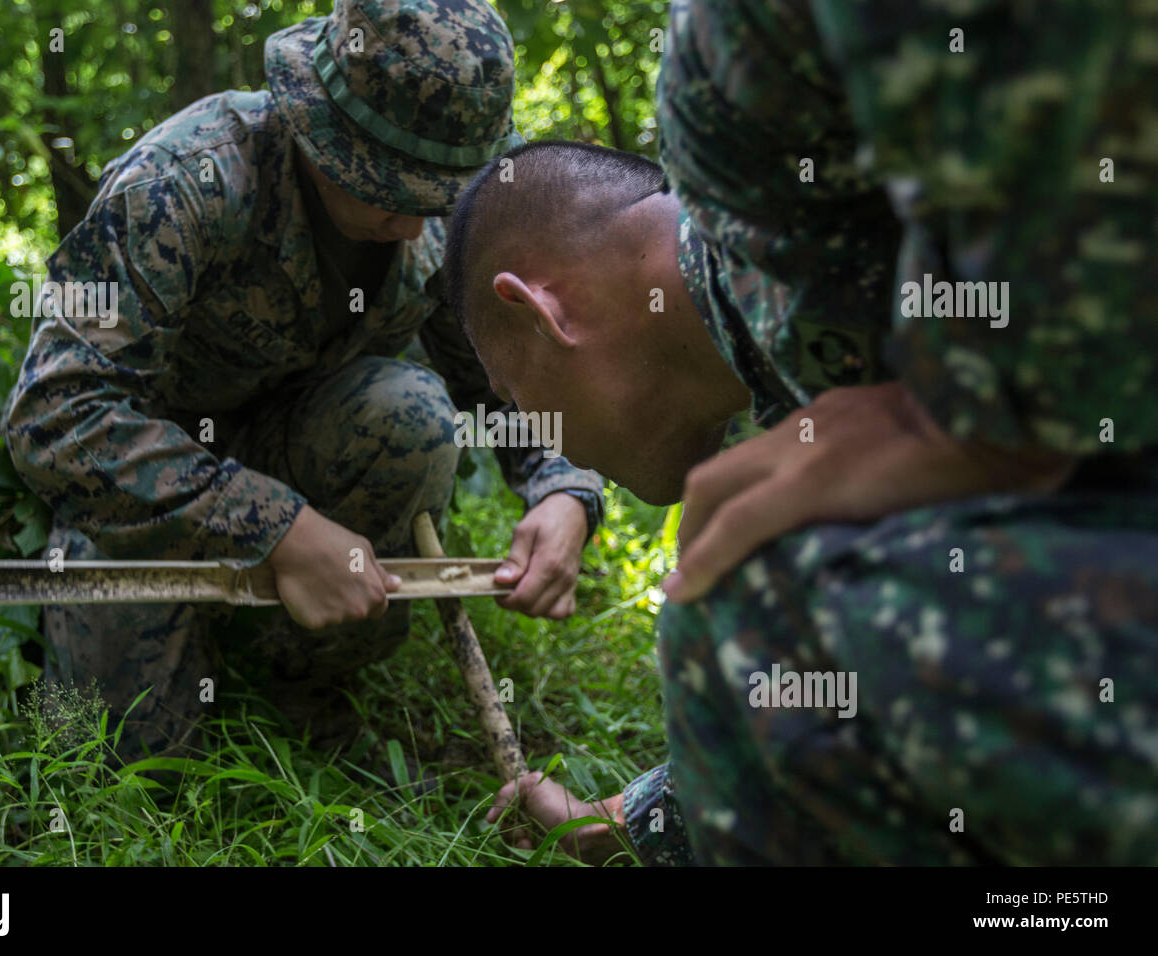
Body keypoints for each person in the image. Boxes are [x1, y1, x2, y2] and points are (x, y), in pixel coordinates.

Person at [451, 0, 1158, 865]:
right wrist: (629, 823)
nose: (547, 439)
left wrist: (968, 413)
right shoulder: (785, 364)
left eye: (518, 398)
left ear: (540, 310)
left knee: (746, 616)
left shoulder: (726, 71)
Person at [3, 0, 602, 757]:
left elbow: (503, 383)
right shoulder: (183, 182)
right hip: (142, 492)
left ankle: (298, 675)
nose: (418, 225)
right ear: (318, 130)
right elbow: (55, 416)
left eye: (437, 194)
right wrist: (274, 527)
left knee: (412, 413)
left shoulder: (440, 215)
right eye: (390, 189)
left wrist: (563, 488)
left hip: (300, 448)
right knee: (126, 764)